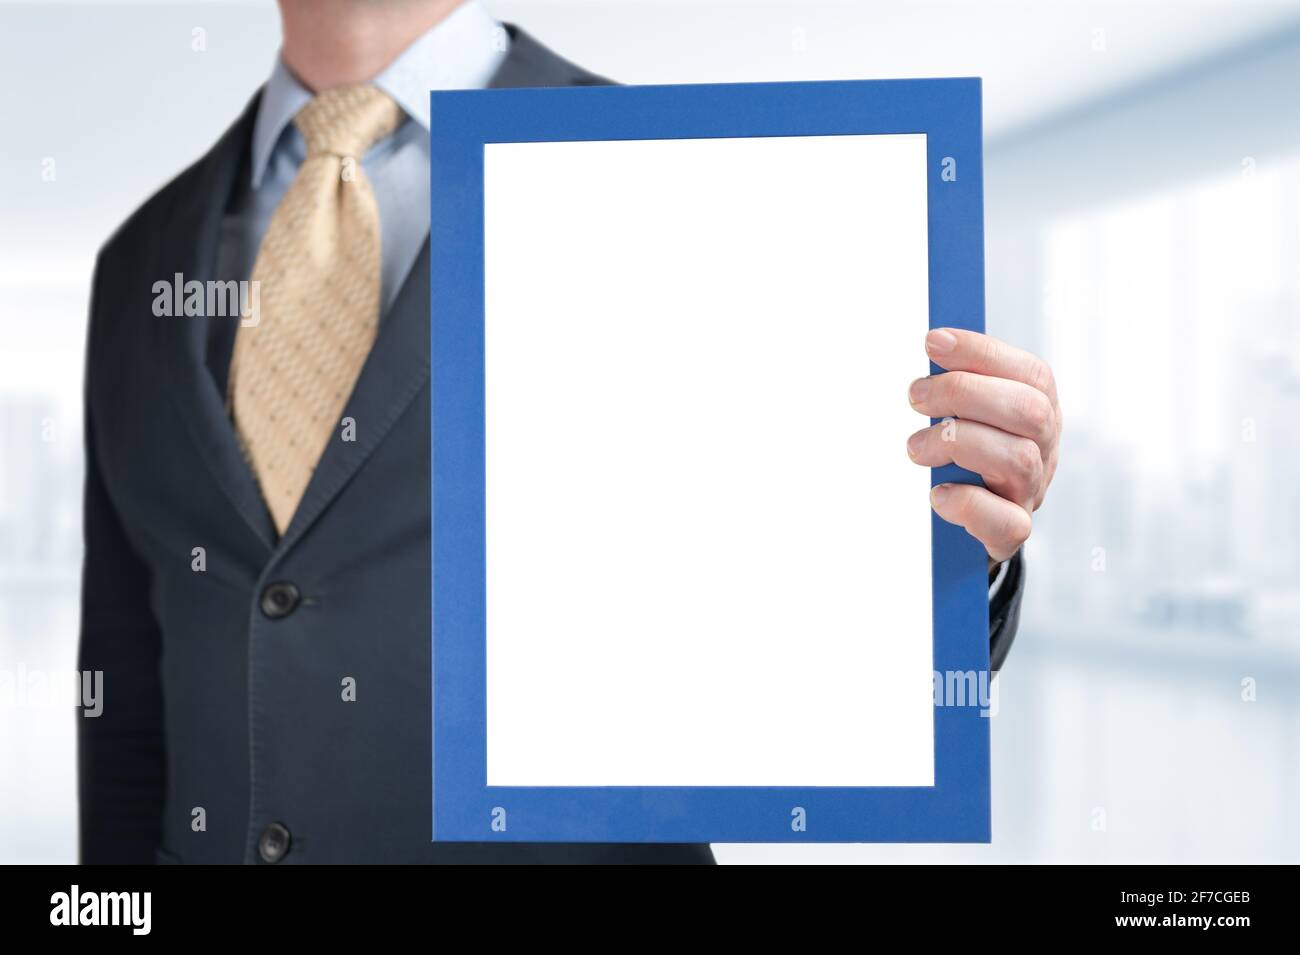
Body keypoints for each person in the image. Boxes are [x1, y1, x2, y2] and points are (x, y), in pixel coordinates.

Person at [78, 0, 1061, 864]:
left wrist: (949, 548)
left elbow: (812, 624)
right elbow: (125, 694)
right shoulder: (140, 257)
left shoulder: (703, 185)